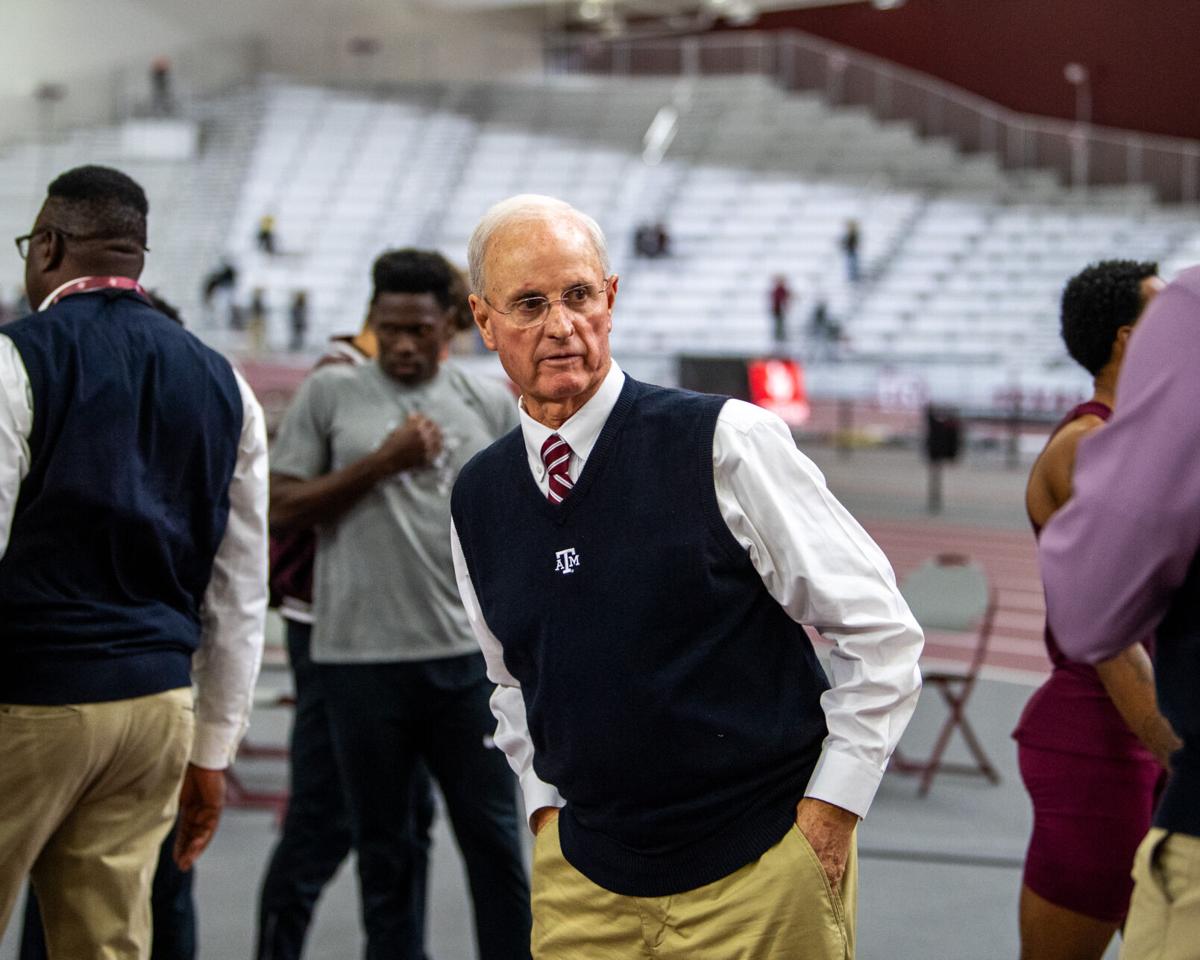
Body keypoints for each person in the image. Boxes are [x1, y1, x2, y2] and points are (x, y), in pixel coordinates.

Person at [451, 194, 924, 960]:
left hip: (761, 872)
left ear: (610, 297)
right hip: (585, 889)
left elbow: (879, 631)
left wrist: (833, 810)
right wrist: (545, 814)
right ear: (484, 320)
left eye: (577, 295)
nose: (561, 326)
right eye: (529, 304)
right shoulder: (478, 495)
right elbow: (512, 682)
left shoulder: (724, 441)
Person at [0, 165, 268, 957]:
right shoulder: (226, 382)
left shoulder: (16, 361)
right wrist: (213, 749)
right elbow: (239, 590)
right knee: (106, 943)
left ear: (46, 246)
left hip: (30, 700)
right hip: (156, 708)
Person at [269, 249, 531, 960]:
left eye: (419, 329)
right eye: (390, 330)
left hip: (466, 665)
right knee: (387, 850)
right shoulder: (330, 395)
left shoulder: (487, 402)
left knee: (496, 845)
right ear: (372, 324)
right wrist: (380, 463)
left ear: (449, 324)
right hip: (359, 664)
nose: (405, 345)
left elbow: (530, 519)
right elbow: (278, 506)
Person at [256, 296, 436, 960]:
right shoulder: (336, 381)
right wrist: (386, 459)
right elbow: (286, 507)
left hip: (397, 635)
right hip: (329, 629)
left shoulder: (398, 384)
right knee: (324, 819)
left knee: (406, 819)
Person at [1014, 261, 1178, 960]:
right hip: (1105, 741)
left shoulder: (1145, 441)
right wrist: (1177, 749)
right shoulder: (1087, 447)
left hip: (1159, 728)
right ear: (1125, 339)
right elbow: (1111, 634)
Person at [769, 275, 792, 345]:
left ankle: (780, 336)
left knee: (780, 323)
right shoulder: (778, 290)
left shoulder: (780, 289)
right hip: (778, 310)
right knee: (779, 323)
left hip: (780, 310)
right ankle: (779, 336)